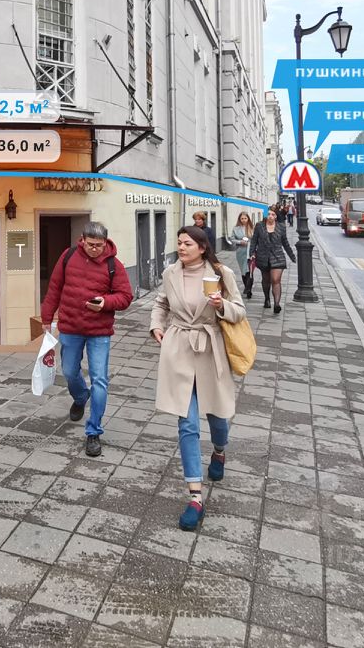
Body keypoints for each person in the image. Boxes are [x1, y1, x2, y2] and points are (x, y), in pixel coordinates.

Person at [149, 225, 247, 530]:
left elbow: (239, 311)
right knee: (187, 423)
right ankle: (195, 497)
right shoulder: (170, 273)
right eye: (179, 242)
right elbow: (161, 303)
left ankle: (219, 451)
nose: (181, 247)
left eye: (187, 243)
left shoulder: (220, 273)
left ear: (202, 247)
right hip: (179, 349)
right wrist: (156, 326)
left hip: (210, 350)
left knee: (218, 417)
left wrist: (221, 306)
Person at [41, 222, 134, 457]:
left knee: (99, 380)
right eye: (91, 244)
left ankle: (94, 432)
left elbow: (125, 297)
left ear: (105, 243)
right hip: (71, 326)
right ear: (82, 240)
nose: (95, 249)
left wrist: (105, 302)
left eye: (99, 245)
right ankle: (81, 397)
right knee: (69, 371)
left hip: (99, 331)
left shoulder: (113, 265)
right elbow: (55, 288)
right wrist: (46, 317)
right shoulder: (68, 256)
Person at [250, 206, 296, 314]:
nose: (270, 216)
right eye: (269, 214)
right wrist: (252, 253)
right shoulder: (259, 226)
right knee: (266, 280)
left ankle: (276, 304)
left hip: (278, 257)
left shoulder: (281, 226)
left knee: (276, 280)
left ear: (276, 216)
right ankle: (267, 298)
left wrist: (292, 256)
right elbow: (254, 240)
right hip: (263, 257)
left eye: (273, 214)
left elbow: (285, 242)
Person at [230, 211, 256, 298]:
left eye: (245, 218)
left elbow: (256, 239)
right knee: (243, 271)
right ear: (239, 219)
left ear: (248, 218)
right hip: (241, 252)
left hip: (251, 252)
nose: (244, 220)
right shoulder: (236, 228)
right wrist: (239, 242)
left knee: (250, 271)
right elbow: (232, 239)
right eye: (242, 218)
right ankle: (246, 286)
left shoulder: (252, 228)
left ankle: (249, 290)